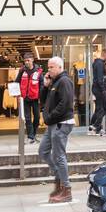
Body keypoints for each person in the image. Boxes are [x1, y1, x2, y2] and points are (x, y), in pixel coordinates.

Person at [38, 56, 75, 203]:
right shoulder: (54, 82)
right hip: (54, 123)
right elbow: (43, 100)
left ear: (60, 67)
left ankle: (66, 190)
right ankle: (60, 177)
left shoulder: (64, 81)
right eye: (48, 67)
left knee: (59, 156)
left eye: (52, 67)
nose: (49, 70)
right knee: (43, 151)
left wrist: (50, 117)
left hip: (61, 123)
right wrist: (45, 86)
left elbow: (65, 104)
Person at [15, 54, 43, 143]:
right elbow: (17, 82)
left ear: (32, 60)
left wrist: (41, 95)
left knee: (37, 117)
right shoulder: (22, 71)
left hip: (35, 98)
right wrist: (17, 95)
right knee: (27, 118)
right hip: (25, 98)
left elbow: (41, 84)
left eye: (28, 60)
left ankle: (33, 134)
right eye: (25, 60)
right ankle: (30, 136)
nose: (26, 62)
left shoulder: (38, 71)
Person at [89, 48, 106, 136]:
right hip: (100, 89)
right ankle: (95, 127)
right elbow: (100, 78)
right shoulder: (100, 64)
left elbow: (100, 77)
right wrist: (103, 90)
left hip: (97, 88)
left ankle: (95, 128)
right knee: (104, 108)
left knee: (99, 108)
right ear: (105, 55)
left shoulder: (97, 63)